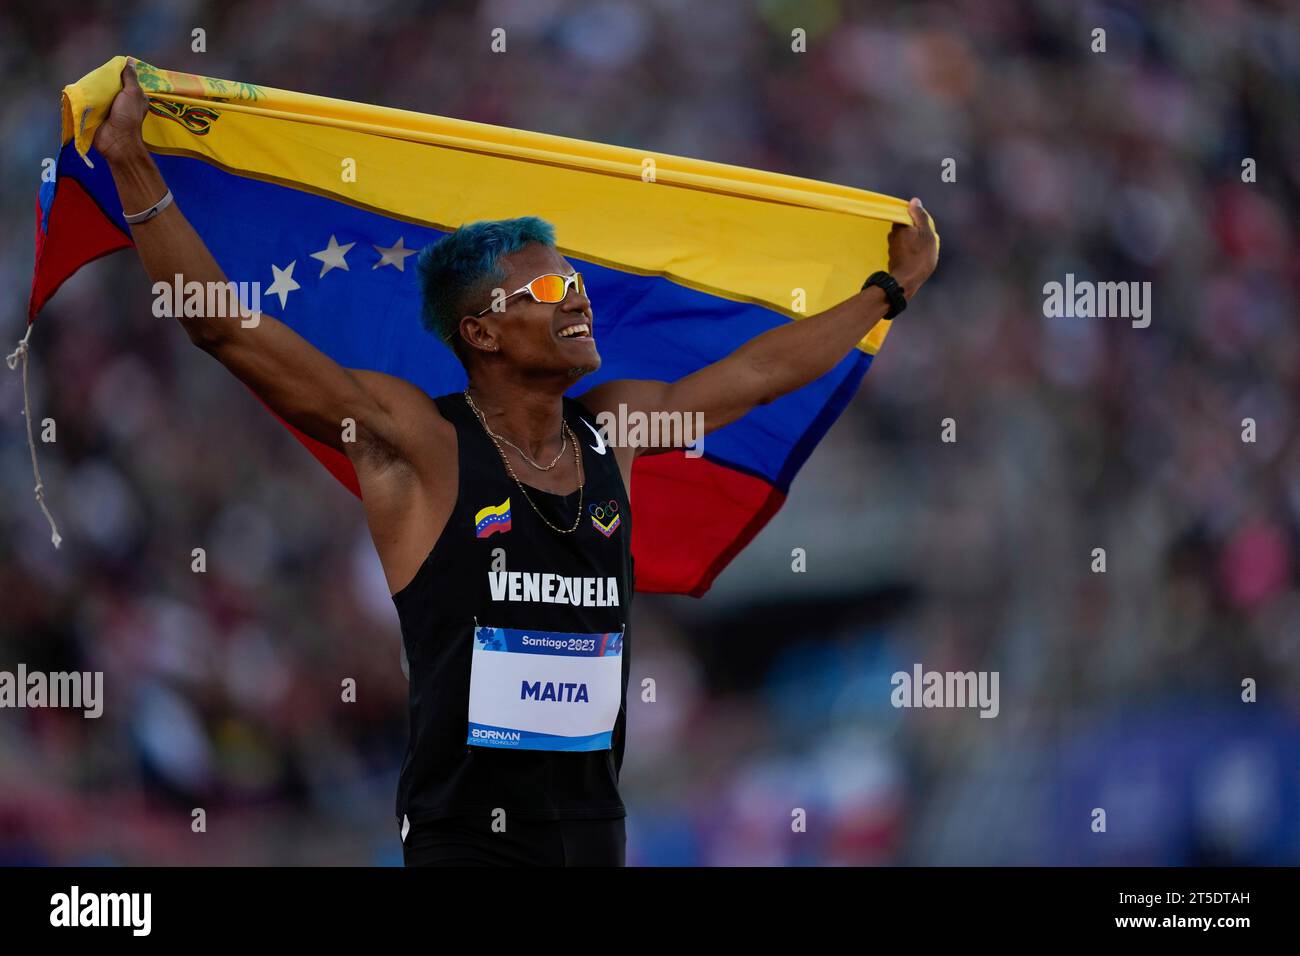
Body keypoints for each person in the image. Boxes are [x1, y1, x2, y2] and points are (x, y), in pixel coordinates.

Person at [93, 61, 939, 866]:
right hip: (470, 843)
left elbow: (757, 375)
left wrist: (885, 293)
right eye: (543, 290)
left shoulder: (619, 430)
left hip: (594, 834)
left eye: (573, 279)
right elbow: (225, 328)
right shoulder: (417, 445)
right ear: (483, 332)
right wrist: (133, 167)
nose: (574, 294)